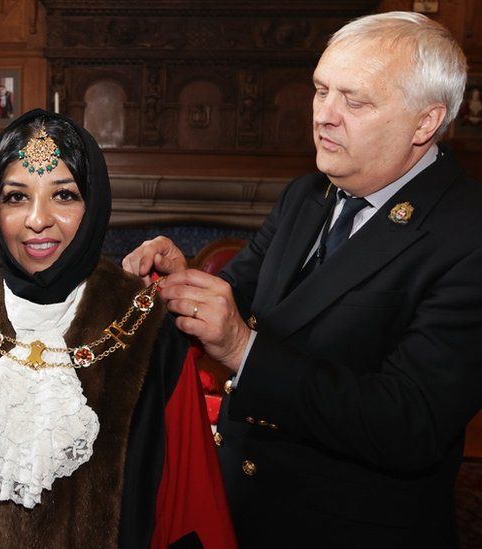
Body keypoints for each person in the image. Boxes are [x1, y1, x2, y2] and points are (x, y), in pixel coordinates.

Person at [123, 12, 482, 548]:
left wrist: (244, 348)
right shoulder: (305, 195)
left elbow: (410, 425)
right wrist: (184, 283)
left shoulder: (467, 234)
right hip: (240, 505)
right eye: (320, 91)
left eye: (354, 101)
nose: (324, 116)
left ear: (425, 123)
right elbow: (240, 293)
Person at [0, 109, 236, 548]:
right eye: (16, 197)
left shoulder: (148, 331)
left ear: (94, 204)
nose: (38, 219)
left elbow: (187, 509)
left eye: (65, 196)